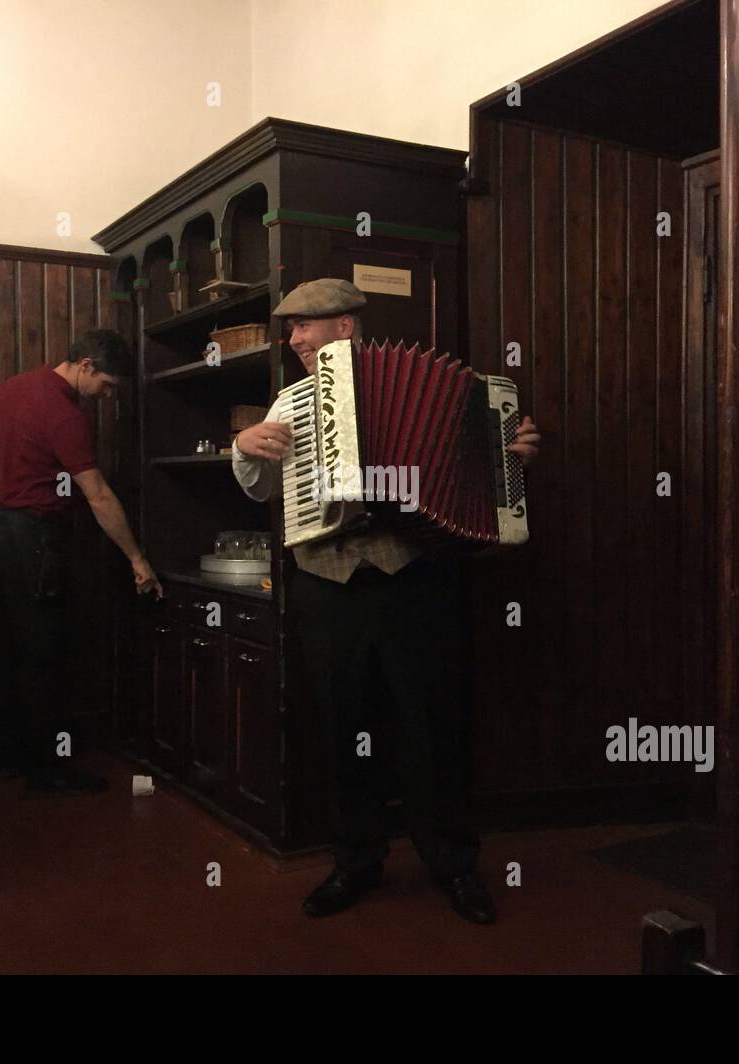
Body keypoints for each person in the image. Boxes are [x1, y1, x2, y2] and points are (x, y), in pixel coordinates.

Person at [232, 279, 541, 924]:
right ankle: (355, 862)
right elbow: (262, 489)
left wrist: (511, 451)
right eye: (289, 330)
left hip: (414, 582)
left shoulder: (439, 389)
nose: (291, 341)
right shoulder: (288, 401)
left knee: (431, 728)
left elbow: (482, 467)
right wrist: (244, 448)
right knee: (346, 728)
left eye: (302, 328)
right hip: (327, 586)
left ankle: (453, 864)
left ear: (343, 327)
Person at [0, 329, 161, 796]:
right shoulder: (66, 415)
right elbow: (96, 494)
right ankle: (50, 770)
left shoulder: (12, 387)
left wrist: (23, 475)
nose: (106, 395)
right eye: (107, 384)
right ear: (85, 366)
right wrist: (137, 557)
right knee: (46, 654)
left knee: (8, 647)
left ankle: (12, 756)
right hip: (37, 537)